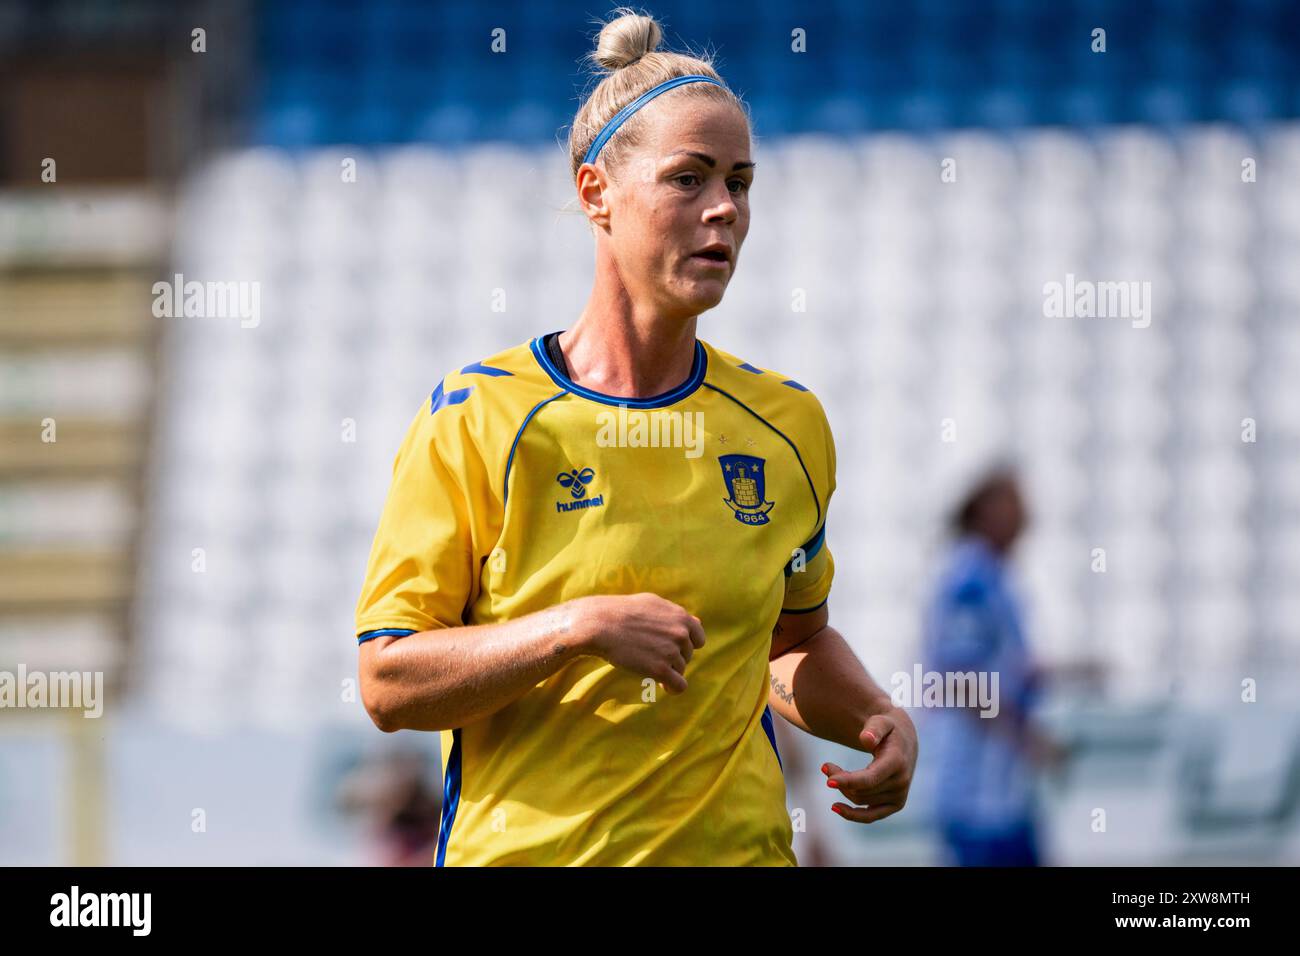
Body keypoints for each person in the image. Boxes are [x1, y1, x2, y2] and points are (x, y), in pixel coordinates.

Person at [353, 8, 917, 866]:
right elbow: (388, 680)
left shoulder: (787, 425)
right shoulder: (478, 416)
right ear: (595, 195)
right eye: (688, 179)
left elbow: (790, 644)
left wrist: (876, 715)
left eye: (741, 180)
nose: (725, 209)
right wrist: (571, 628)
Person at [921, 466, 1066, 866]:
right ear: (987, 510)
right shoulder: (970, 579)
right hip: (976, 796)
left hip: (1004, 794)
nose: (1026, 514)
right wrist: (1026, 735)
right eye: (1015, 502)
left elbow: (1000, 668)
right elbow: (961, 680)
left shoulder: (994, 577)